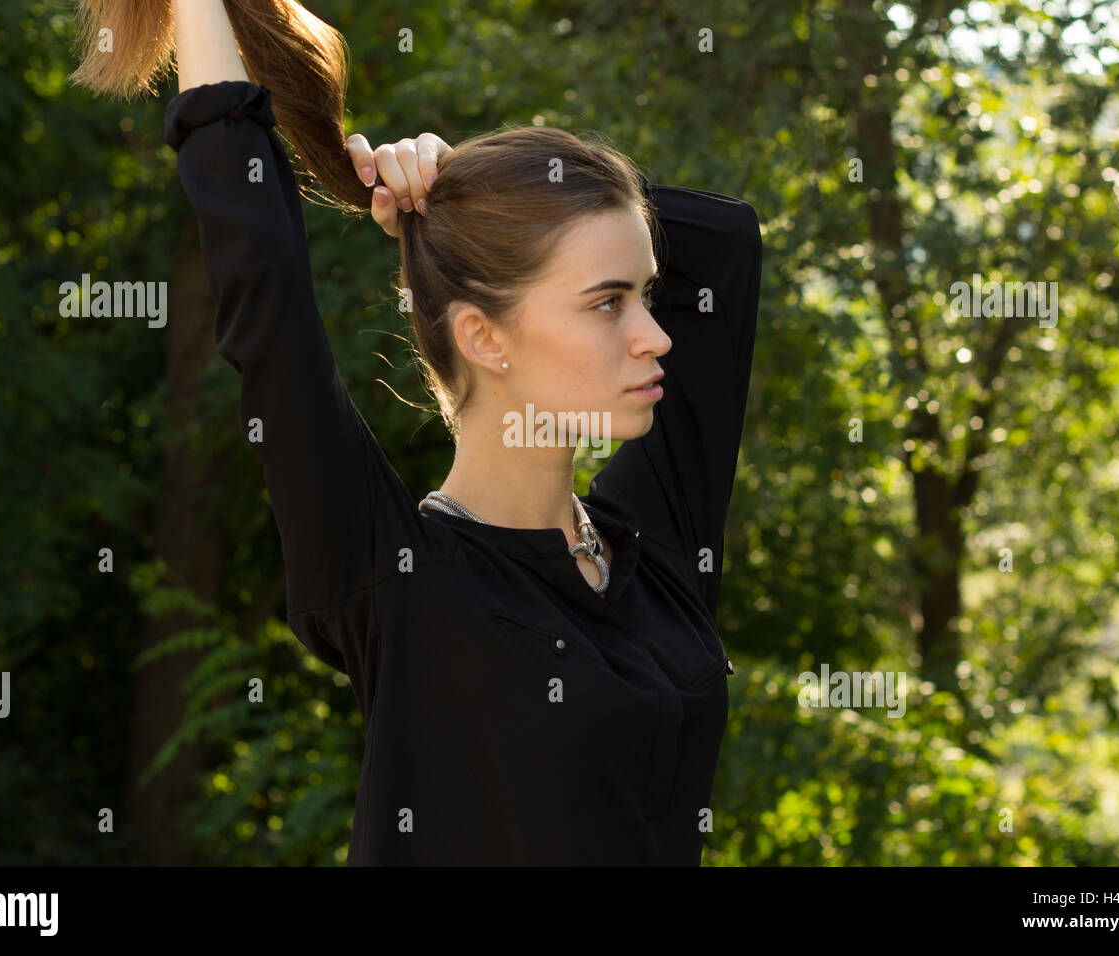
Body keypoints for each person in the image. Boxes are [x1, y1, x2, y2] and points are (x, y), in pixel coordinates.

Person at [74, 0, 763, 865]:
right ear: (483, 337)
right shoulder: (397, 581)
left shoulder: (654, 548)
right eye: (607, 302)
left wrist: (463, 194)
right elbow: (265, 291)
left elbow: (728, 248)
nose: (655, 334)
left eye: (647, 296)